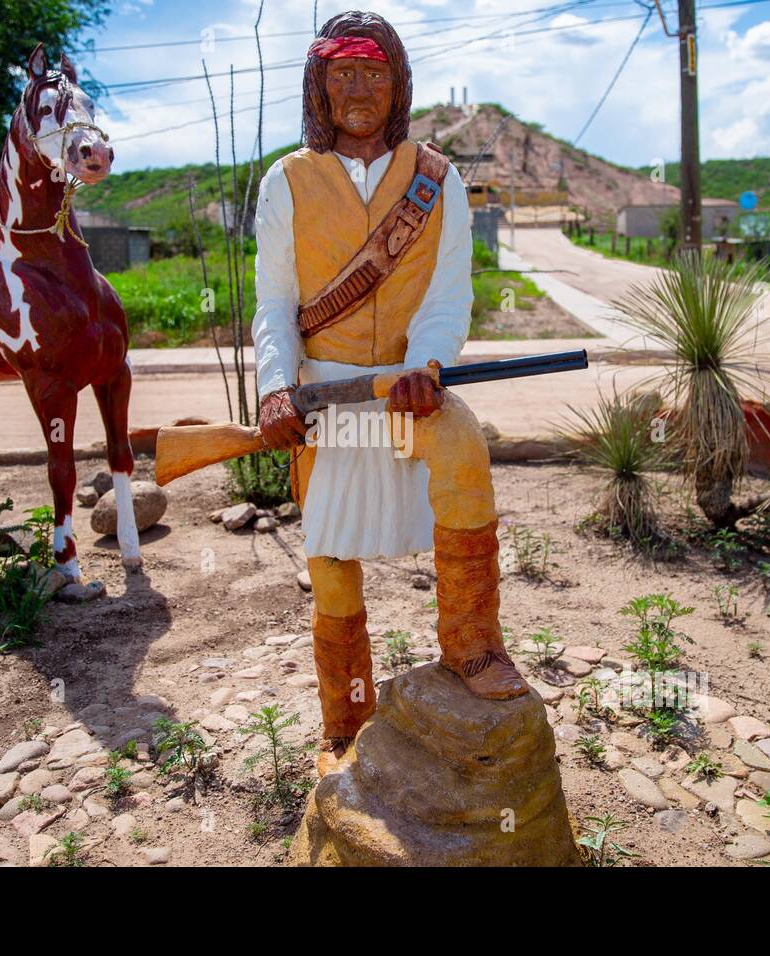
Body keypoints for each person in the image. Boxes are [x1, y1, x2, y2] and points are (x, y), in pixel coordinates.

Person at [251, 10, 529, 775]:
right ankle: (345, 714)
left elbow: (448, 293)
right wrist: (277, 387)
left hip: (408, 391)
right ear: (320, 87)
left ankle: (472, 644)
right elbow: (274, 300)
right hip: (321, 396)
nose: (359, 89)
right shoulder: (287, 180)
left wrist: (429, 365)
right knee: (330, 553)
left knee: (464, 447)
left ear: (398, 82)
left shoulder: (438, 178)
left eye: (374, 72)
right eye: (342, 73)